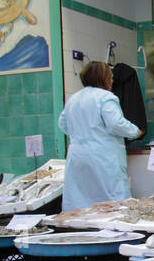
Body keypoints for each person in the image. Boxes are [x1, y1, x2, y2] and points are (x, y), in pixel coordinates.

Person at [58, 61, 141, 209]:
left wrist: (82, 134)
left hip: (77, 156)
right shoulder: (105, 97)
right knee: (113, 202)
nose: (112, 80)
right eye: (110, 77)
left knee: (81, 199)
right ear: (104, 78)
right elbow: (116, 123)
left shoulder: (74, 98)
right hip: (102, 157)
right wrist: (135, 131)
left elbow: (63, 125)